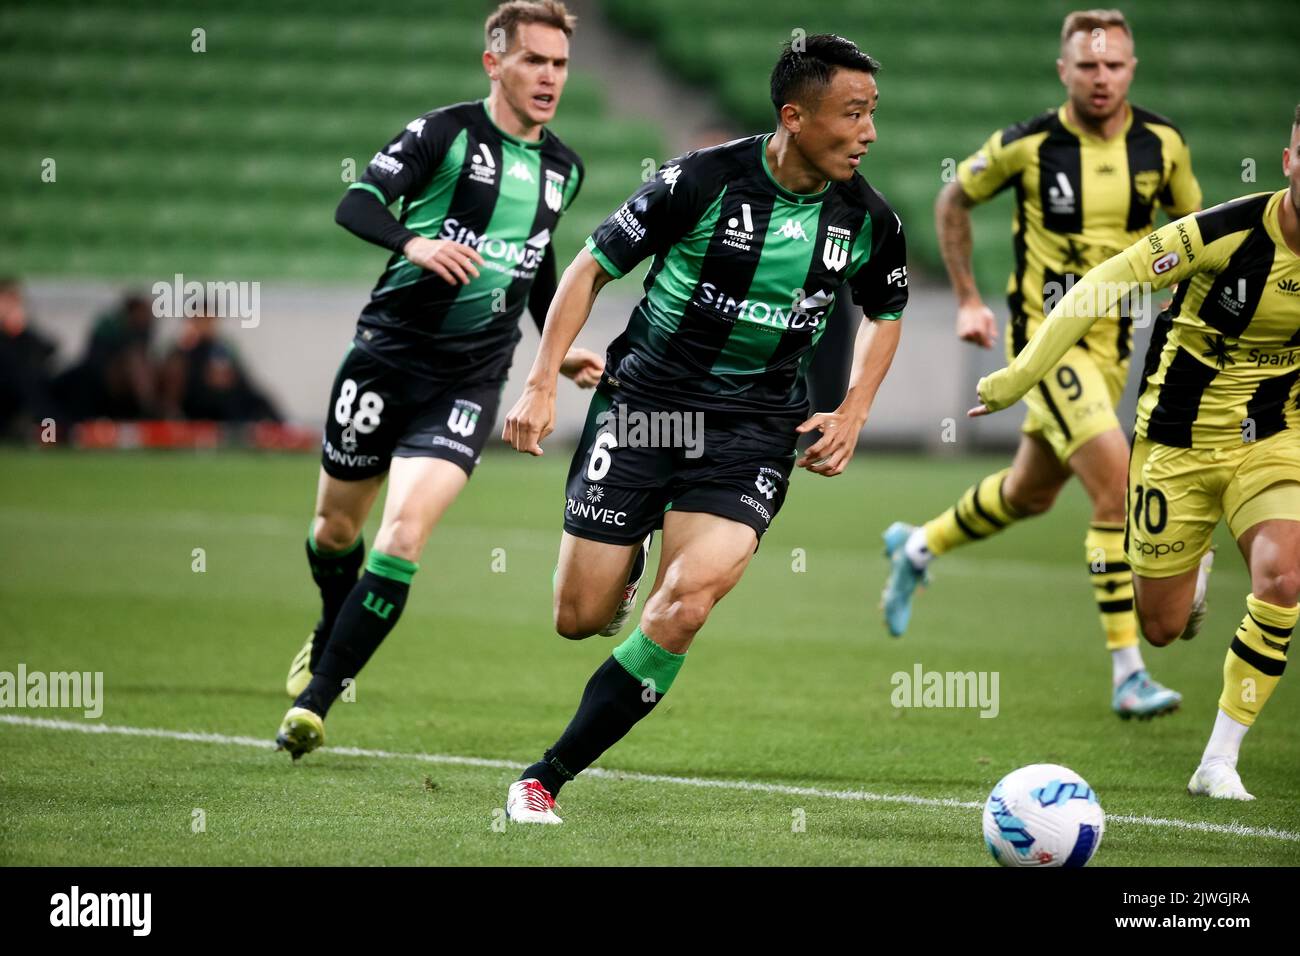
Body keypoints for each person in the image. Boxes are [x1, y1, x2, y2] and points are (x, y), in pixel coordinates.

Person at [500, 34, 907, 823]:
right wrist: (542, 381)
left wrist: (854, 407)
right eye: (852, 115)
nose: (869, 133)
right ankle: (633, 547)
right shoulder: (699, 182)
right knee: (578, 619)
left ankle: (545, 777)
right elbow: (588, 268)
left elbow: (887, 311)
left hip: (754, 430)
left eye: (873, 115)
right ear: (794, 116)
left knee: (686, 605)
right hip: (646, 411)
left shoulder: (865, 219)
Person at [275, 0, 603, 758]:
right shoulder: (443, 134)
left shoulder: (565, 168)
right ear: (495, 62)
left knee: (403, 535)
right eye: (533, 61)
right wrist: (414, 243)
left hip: (468, 380)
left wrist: (559, 352)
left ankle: (317, 701)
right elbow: (355, 203)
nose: (550, 77)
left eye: (559, 64)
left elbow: (539, 265)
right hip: (385, 359)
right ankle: (332, 626)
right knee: (335, 531)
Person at [881, 8, 1202, 719]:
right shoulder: (1026, 145)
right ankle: (1128, 673)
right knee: (1116, 491)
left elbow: (1195, 238)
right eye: (1087, 66)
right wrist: (966, 296)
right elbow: (952, 198)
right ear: (1064, 70)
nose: (1100, 78)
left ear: (1131, 68)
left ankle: (918, 546)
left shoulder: (1165, 146)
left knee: (1030, 493)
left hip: (1116, 347)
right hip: (1045, 346)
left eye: (1113, 65)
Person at [972, 106, 1300, 799]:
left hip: (1273, 439)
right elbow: (1101, 284)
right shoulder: (1226, 232)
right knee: (1162, 626)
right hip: (1175, 445)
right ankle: (1195, 564)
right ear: (1289, 161)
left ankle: (1218, 761)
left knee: (1282, 577)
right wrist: (1020, 374)